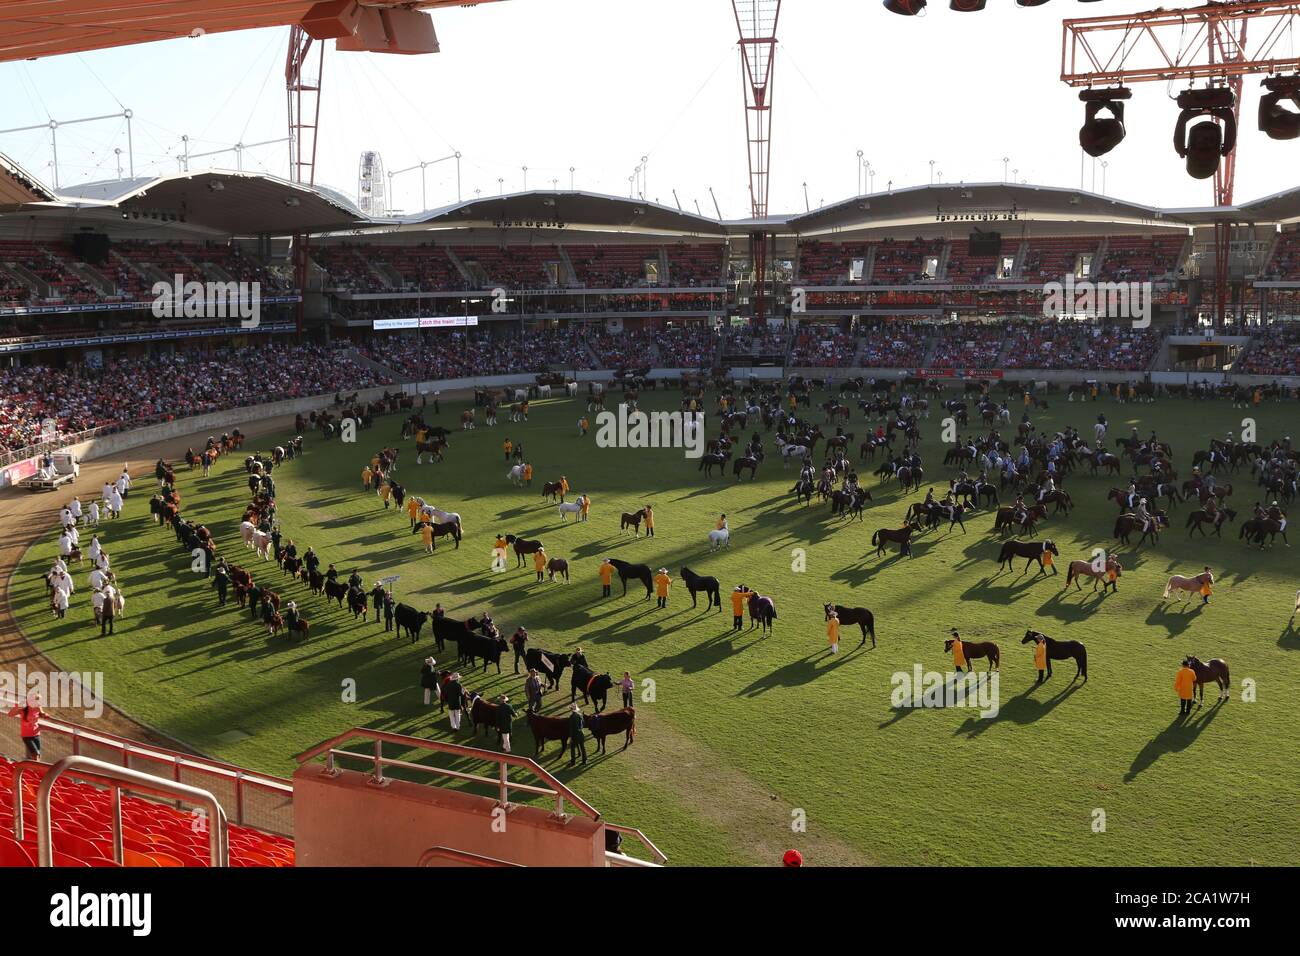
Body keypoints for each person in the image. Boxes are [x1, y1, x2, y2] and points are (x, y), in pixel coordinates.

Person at [7, 694, 43, 759]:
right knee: (35, 754)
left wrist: (45, 714)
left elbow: (42, 713)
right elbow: (10, 714)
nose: (37, 702)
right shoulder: (23, 709)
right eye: (35, 700)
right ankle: (33, 767)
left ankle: (34, 767)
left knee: (38, 754)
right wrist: (17, 706)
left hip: (36, 734)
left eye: (37, 700)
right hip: (27, 736)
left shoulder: (38, 707)